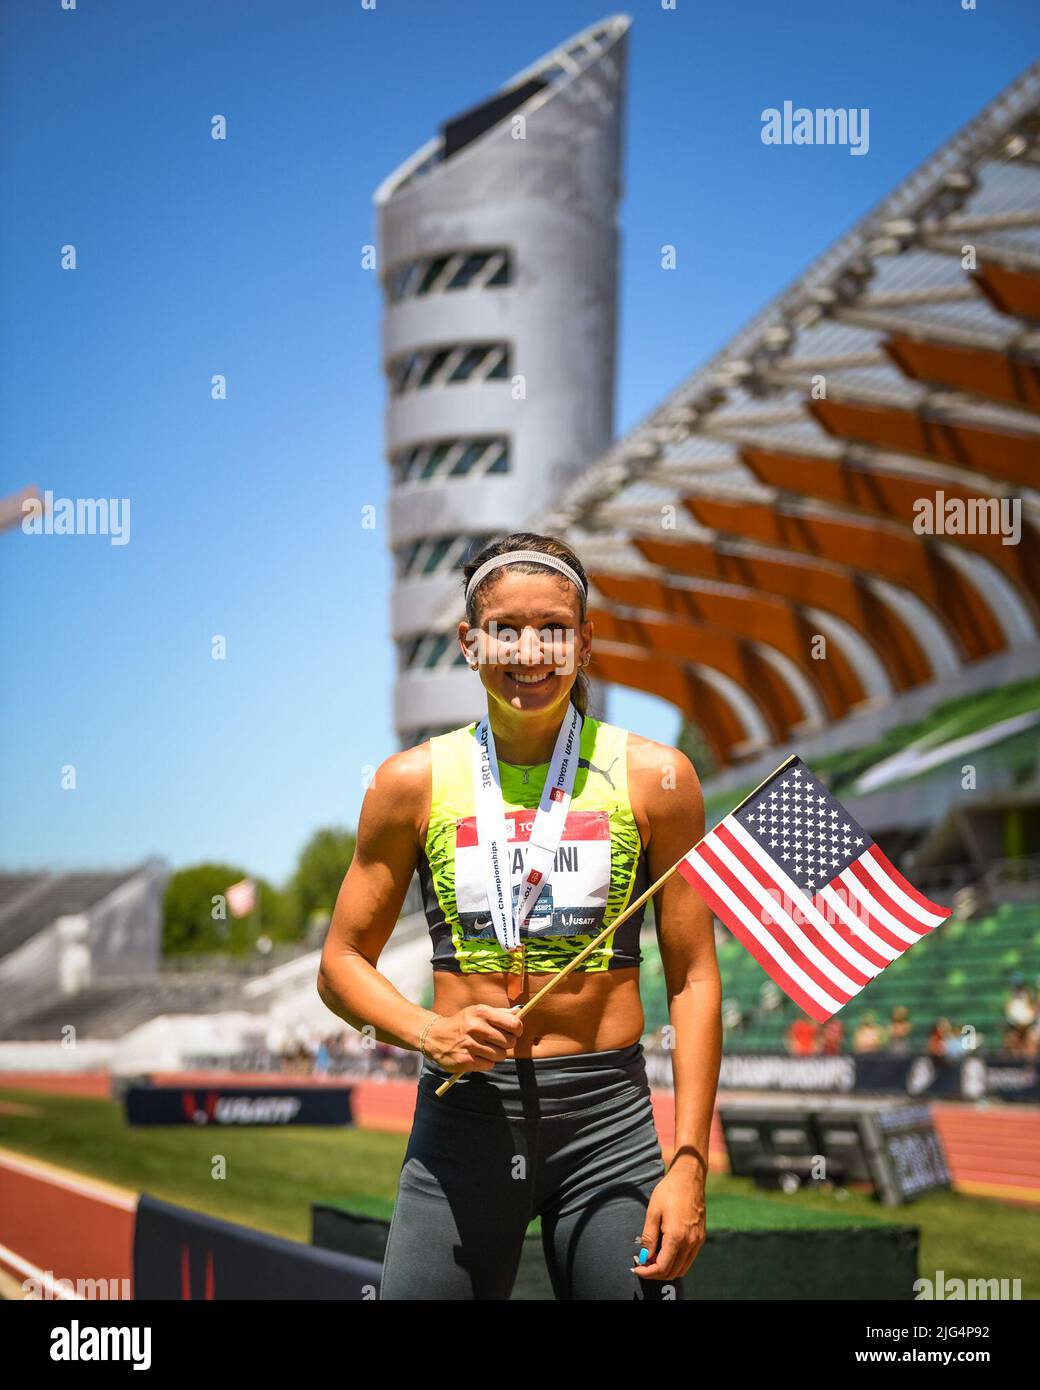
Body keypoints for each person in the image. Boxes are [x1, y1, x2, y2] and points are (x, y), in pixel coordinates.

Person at [318, 533, 722, 1300]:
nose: (529, 649)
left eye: (553, 628)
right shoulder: (410, 783)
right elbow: (339, 964)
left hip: (609, 1122)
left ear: (586, 641)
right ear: (470, 643)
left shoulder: (658, 778)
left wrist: (689, 1163)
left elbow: (695, 978)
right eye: (505, 628)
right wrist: (428, 1031)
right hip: (465, 1120)